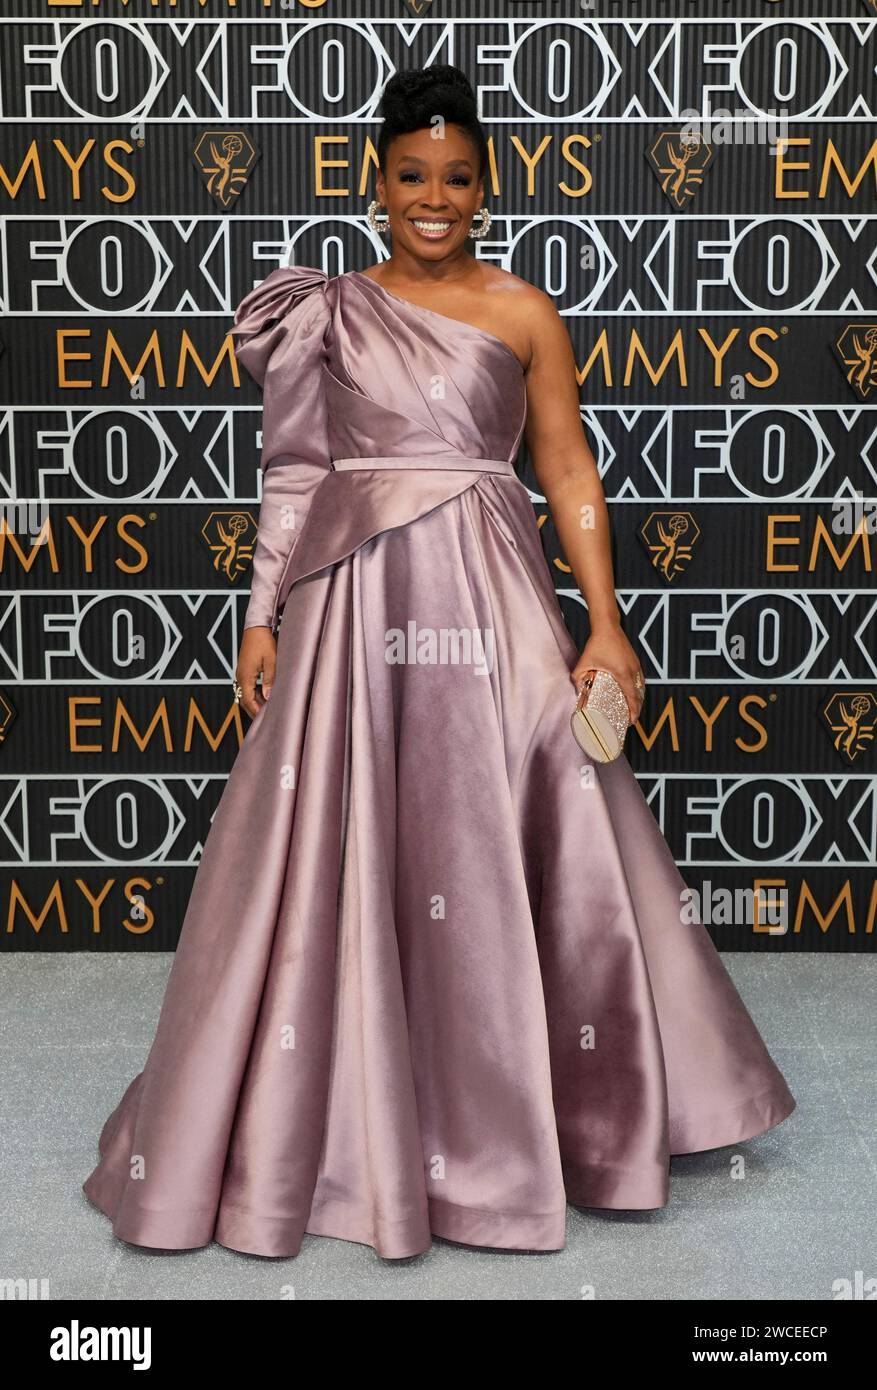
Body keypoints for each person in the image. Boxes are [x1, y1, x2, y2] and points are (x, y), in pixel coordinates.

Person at [82, 64, 795, 1261]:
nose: (433, 196)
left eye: (456, 177)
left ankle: (543, 1120)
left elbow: (564, 469)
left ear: (485, 187)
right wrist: (261, 615)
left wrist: (604, 622)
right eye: (411, 175)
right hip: (352, 611)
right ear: (375, 184)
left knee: (528, 835)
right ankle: (342, 1130)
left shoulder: (522, 312)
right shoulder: (321, 311)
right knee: (335, 857)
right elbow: (299, 474)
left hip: (494, 602)